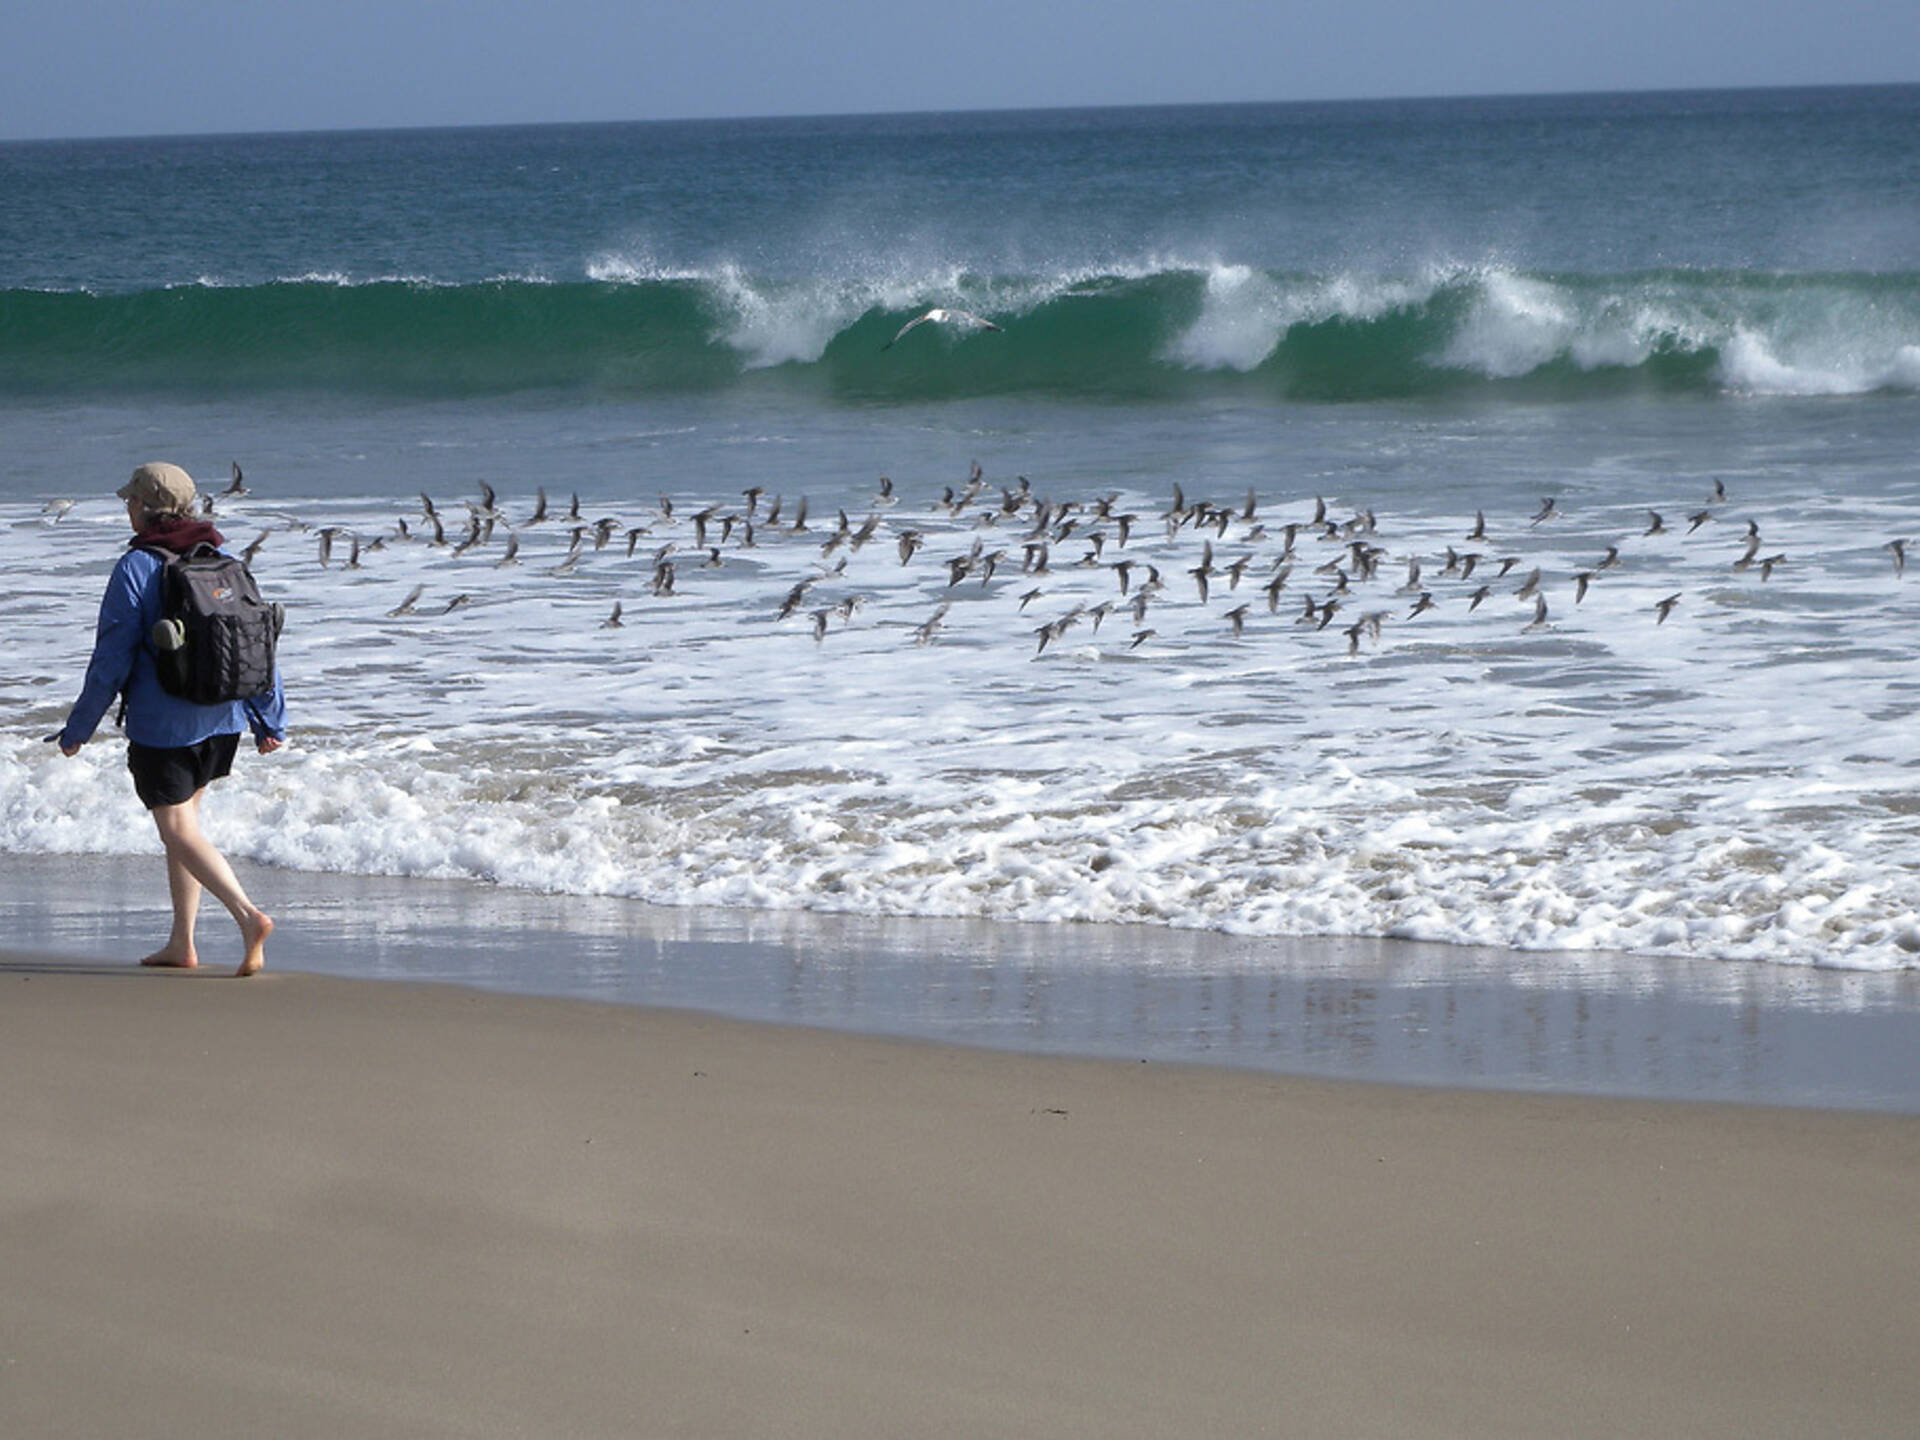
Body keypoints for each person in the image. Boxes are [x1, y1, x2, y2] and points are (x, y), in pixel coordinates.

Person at [57, 462, 288, 977]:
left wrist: (78, 729)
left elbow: (111, 659)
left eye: (130, 502)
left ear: (145, 507)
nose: (127, 509)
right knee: (184, 827)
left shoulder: (137, 567)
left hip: (164, 726)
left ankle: (249, 917)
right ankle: (181, 943)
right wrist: (269, 719)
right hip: (223, 720)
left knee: (178, 829)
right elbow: (259, 645)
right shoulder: (224, 559)